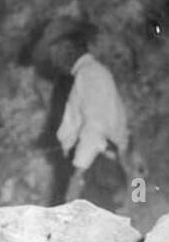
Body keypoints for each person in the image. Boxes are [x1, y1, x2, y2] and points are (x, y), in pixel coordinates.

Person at [49, 28, 131, 209]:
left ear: (70, 50)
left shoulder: (89, 74)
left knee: (86, 223)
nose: (54, 62)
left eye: (56, 54)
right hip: (100, 164)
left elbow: (95, 126)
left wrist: (77, 176)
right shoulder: (95, 73)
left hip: (94, 169)